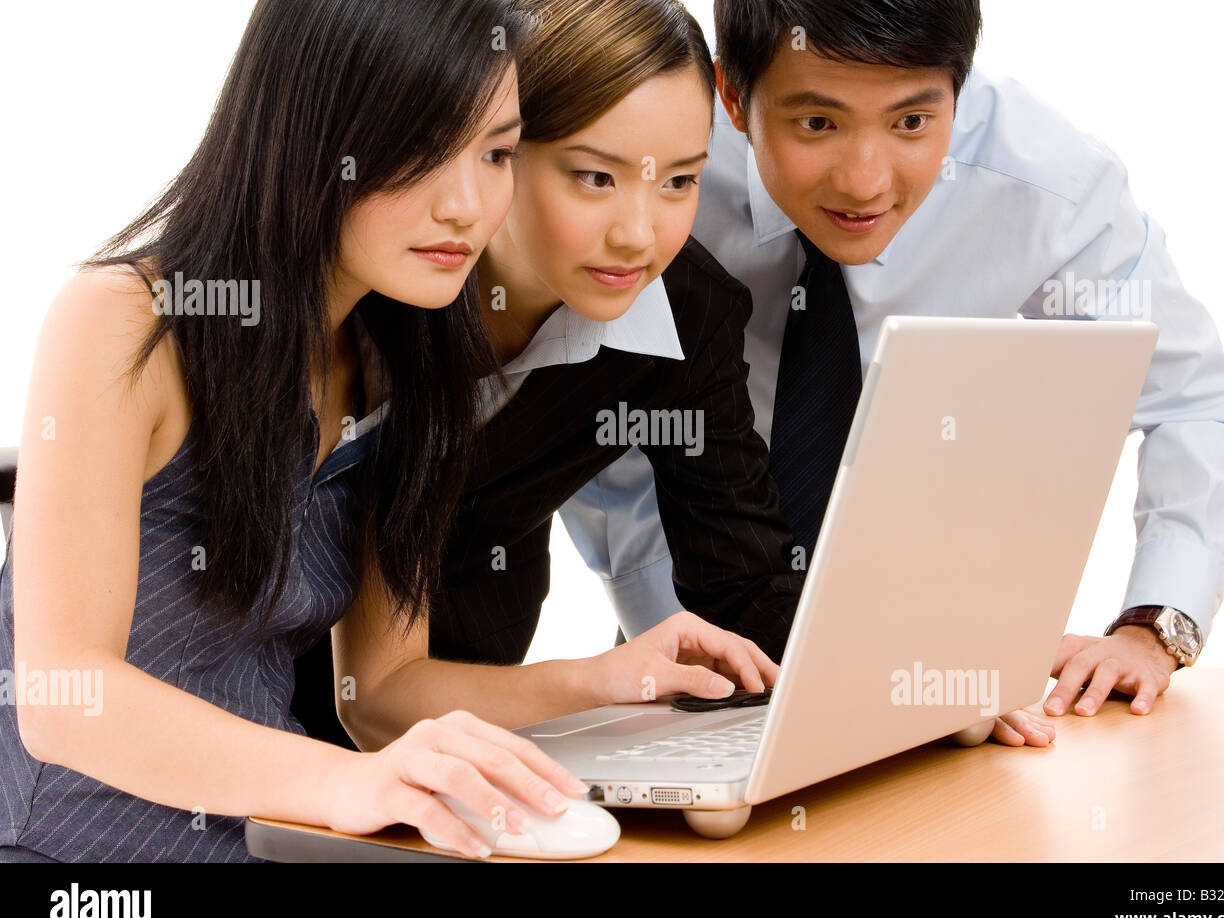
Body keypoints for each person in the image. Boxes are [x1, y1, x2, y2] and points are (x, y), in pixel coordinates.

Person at [0, 0, 766, 864]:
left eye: (497, 153)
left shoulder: (399, 348)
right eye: (424, 151)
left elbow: (383, 690)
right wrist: (351, 783)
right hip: (65, 850)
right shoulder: (124, 321)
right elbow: (65, 697)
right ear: (312, 134)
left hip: (269, 839)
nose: (470, 206)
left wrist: (607, 682)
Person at [561, 0, 1224, 733]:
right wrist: (682, 635)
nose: (865, 182)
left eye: (911, 123)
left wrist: (1152, 627)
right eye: (817, 124)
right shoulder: (658, 164)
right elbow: (596, 403)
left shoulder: (1042, 181)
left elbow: (1199, 403)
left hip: (934, 655)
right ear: (733, 99)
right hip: (693, 612)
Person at [292, 0, 794, 752]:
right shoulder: (391, 284)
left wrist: (939, 681)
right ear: (498, 147)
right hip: (265, 686)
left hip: (487, 695)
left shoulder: (688, 312)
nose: (638, 234)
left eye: (680, 181)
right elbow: (374, 690)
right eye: (595, 177)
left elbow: (746, 582)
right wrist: (601, 678)